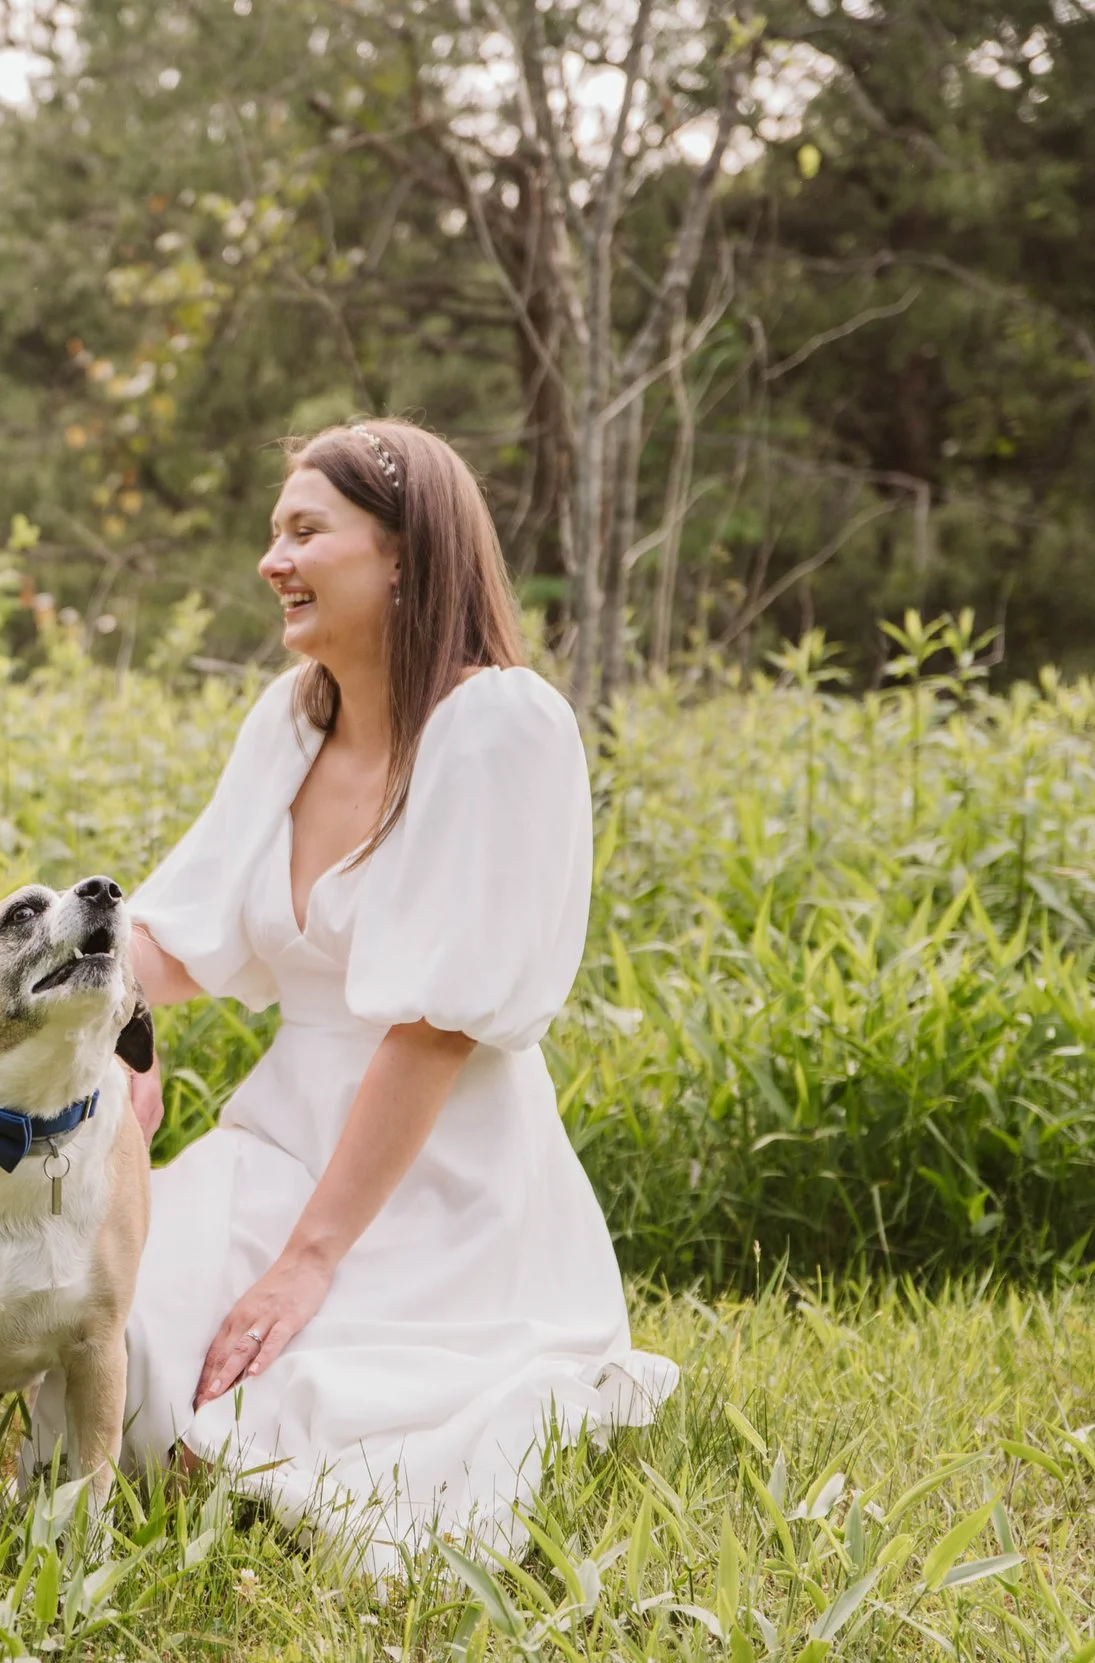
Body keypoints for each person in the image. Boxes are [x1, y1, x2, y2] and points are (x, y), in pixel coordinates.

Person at [118, 419, 677, 1573]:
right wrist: (113, 1022)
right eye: (273, 532)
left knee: (314, 1413)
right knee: (115, 1321)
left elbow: (434, 1025)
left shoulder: (497, 725)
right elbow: (177, 938)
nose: (273, 560)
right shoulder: (288, 721)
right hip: (279, 1135)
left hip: (441, 1168)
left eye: (305, 530)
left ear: (405, 554)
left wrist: (306, 1260)